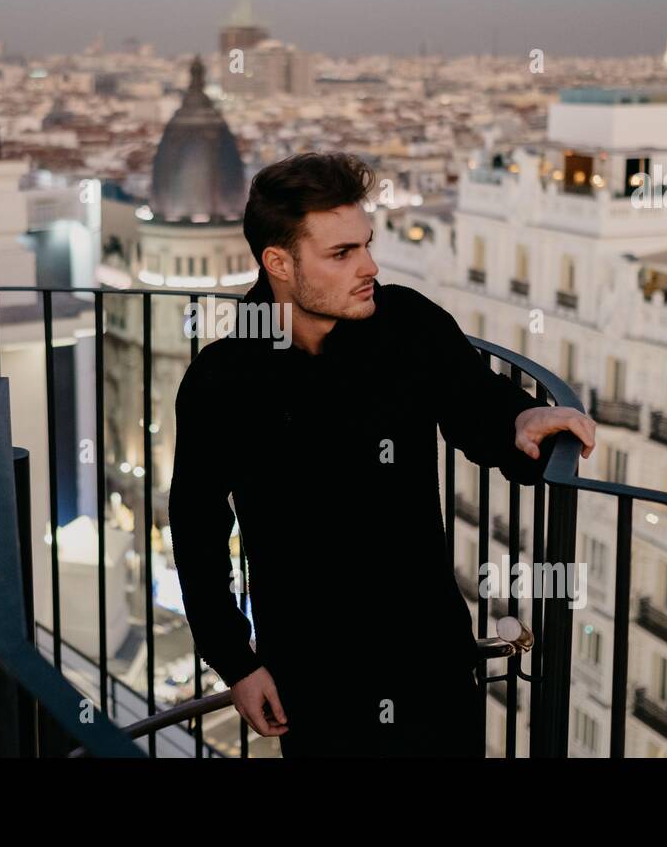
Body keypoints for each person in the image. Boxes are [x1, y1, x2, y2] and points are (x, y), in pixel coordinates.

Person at [168, 152, 596, 757]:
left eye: (366, 245)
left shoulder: (408, 325)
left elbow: (477, 403)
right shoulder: (222, 382)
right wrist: (236, 662)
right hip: (314, 683)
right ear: (279, 263)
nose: (369, 266)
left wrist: (523, 420)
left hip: (431, 662)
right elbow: (197, 530)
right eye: (341, 254)